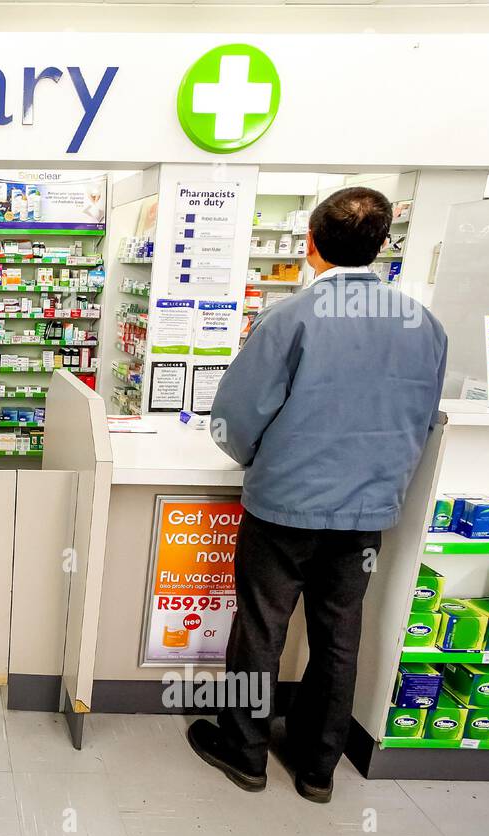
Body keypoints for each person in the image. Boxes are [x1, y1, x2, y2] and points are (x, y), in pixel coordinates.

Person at [186, 186, 447, 803]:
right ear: (383, 246)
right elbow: (421, 416)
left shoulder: (290, 317)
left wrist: (257, 460)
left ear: (310, 245)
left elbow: (233, 418)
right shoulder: (425, 327)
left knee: (260, 627)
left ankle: (245, 752)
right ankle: (317, 768)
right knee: (339, 634)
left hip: (285, 507)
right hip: (365, 514)